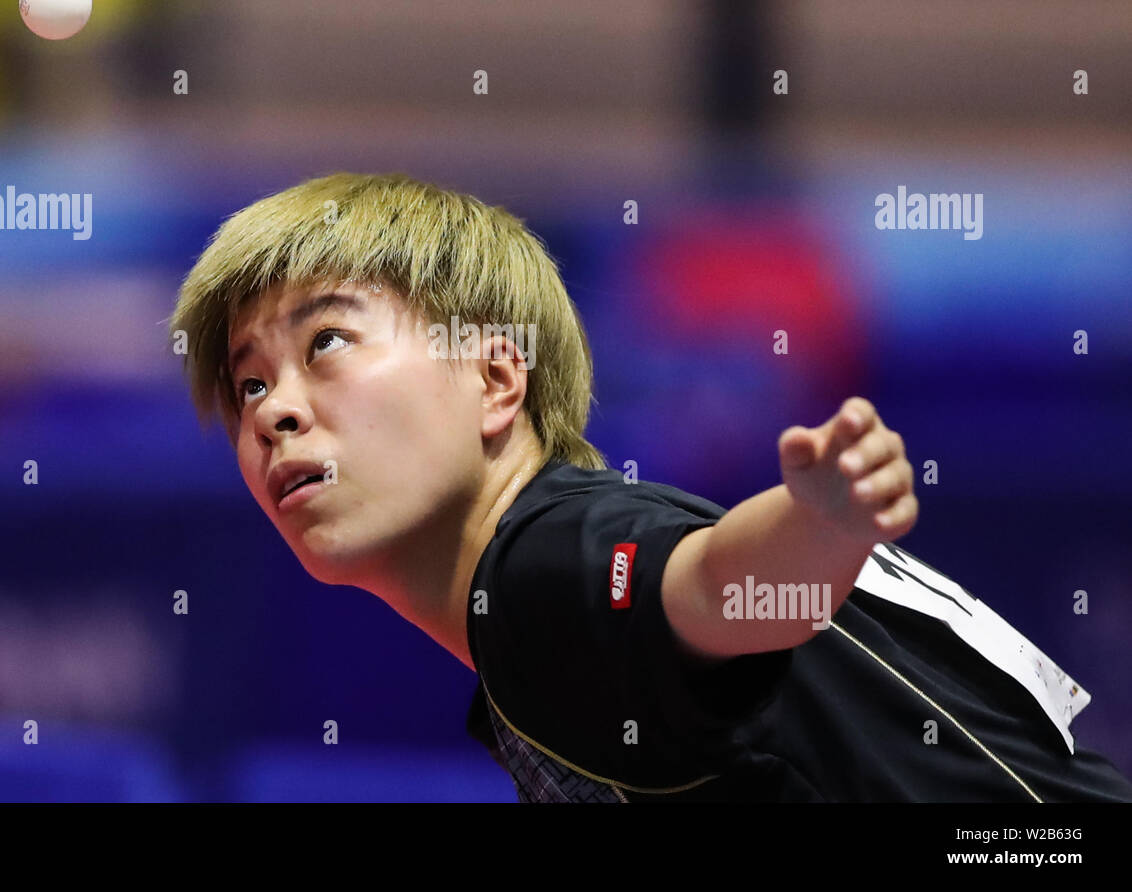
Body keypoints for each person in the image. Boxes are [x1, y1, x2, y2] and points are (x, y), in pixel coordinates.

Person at [167, 171, 1132, 802]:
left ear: (496, 379)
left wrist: (813, 527)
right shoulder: (534, 636)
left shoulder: (545, 568)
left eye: (325, 343)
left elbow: (712, 588)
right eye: (250, 382)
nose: (272, 411)